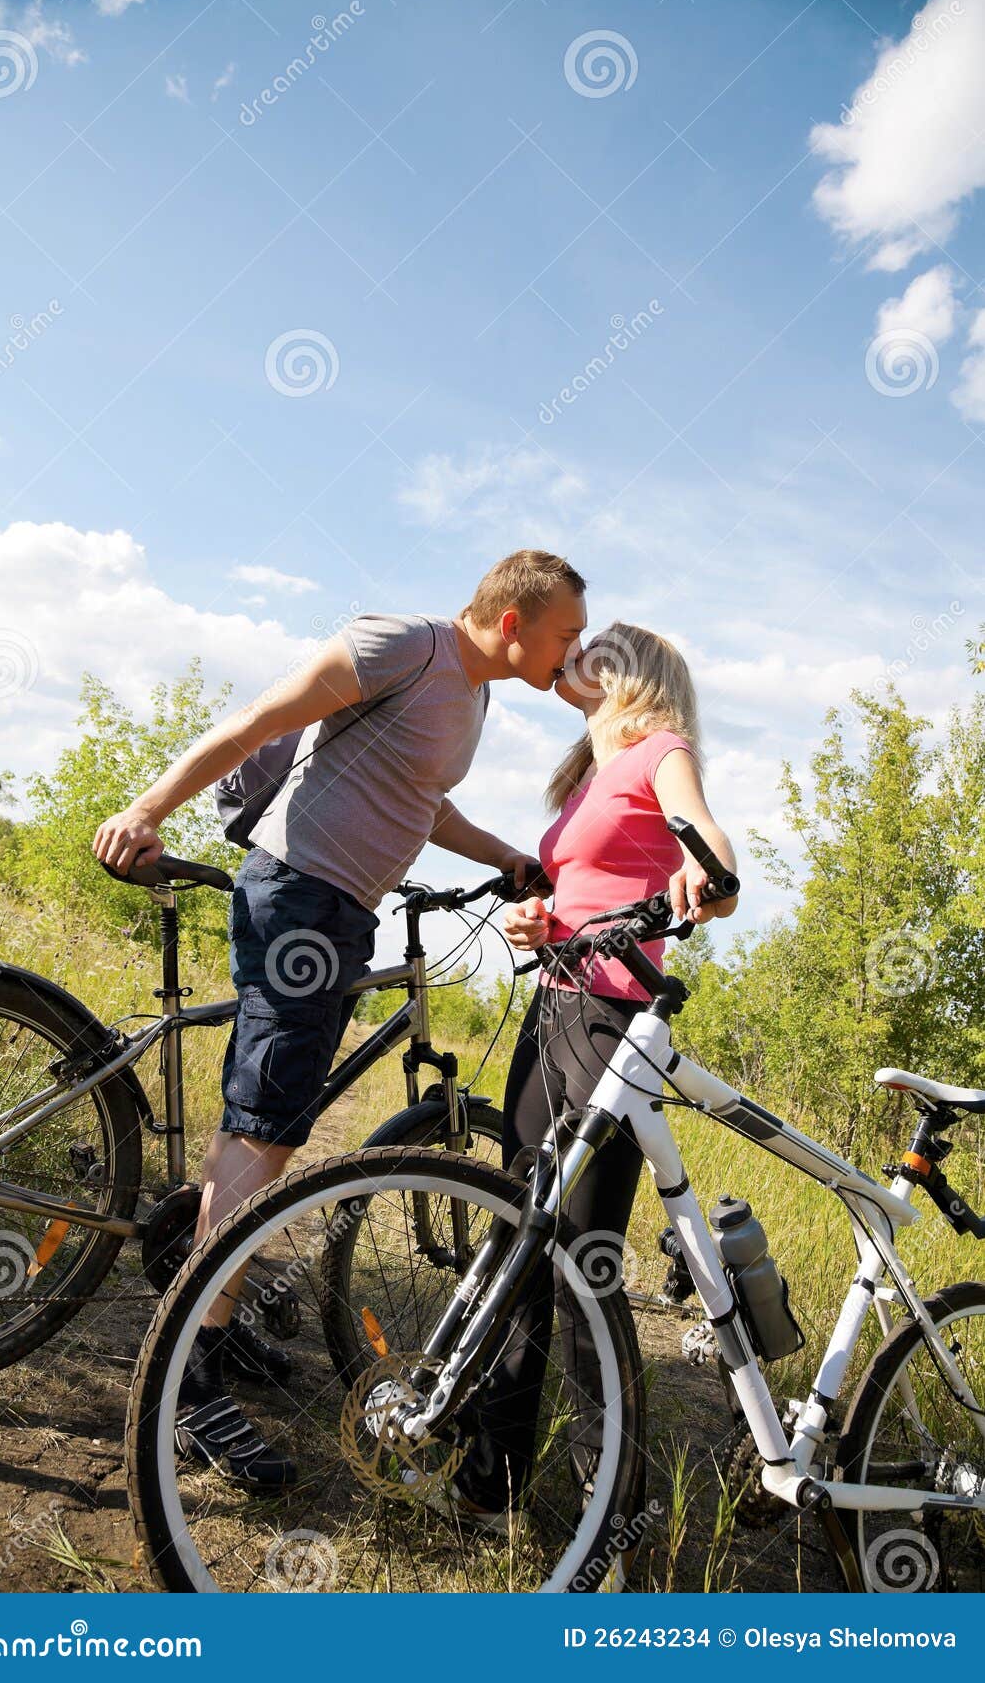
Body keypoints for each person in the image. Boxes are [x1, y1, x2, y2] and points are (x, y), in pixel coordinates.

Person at [92, 550, 587, 1484]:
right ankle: (186, 1382)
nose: (572, 653)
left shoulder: (473, 699)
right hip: (299, 892)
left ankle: (211, 1307)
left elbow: (422, 803)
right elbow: (257, 721)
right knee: (266, 1130)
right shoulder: (403, 643)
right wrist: (147, 805)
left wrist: (512, 855)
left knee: (263, 1118)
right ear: (514, 620)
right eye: (563, 634)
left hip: (339, 906)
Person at [446, 621, 738, 1528]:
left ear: (632, 670)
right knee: (518, 1241)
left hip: (613, 1024)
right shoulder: (583, 773)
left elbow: (705, 840)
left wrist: (710, 869)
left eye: (597, 643)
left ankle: (602, 1508)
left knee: (584, 1264)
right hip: (553, 1004)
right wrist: (538, 922)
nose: (577, 650)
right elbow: (581, 889)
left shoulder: (662, 748)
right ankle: (489, 1487)